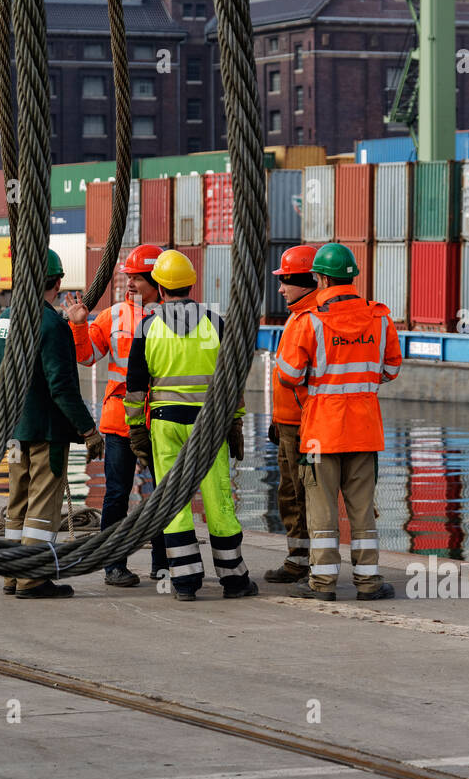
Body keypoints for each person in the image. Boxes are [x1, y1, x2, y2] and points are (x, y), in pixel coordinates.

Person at [123, 248, 257, 602]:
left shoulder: (147, 326)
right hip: (209, 426)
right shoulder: (216, 322)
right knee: (219, 499)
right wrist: (236, 424)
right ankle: (234, 579)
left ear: (161, 287)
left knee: (173, 500)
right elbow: (234, 381)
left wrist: (136, 427)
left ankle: (184, 581)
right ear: (191, 284)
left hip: (165, 426)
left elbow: (135, 386)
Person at [276, 242, 401, 602]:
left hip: (320, 433)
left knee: (322, 510)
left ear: (320, 277)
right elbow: (391, 368)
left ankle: (322, 584)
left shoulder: (309, 320)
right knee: (362, 510)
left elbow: (288, 374)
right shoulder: (379, 317)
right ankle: (368, 582)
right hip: (365, 429)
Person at [0, 249, 104, 599]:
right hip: (45, 433)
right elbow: (62, 387)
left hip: (12, 432)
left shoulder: (4, 320)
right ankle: (33, 579)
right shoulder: (51, 324)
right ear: (56, 283)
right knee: (41, 505)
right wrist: (88, 430)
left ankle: (12, 574)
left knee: (17, 501)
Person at [66, 243, 168, 587]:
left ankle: (163, 563)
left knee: (164, 493)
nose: (129, 284)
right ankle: (113, 565)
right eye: (127, 277)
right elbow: (87, 356)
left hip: (160, 421)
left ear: (157, 281)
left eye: (136, 278)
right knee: (116, 495)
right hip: (120, 421)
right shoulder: (112, 316)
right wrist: (79, 325)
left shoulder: (175, 316)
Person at [265, 244, 319, 584]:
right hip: (289, 422)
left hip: (302, 424)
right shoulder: (299, 315)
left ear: (307, 280)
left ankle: (302, 561)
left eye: (286, 281)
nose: (281, 288)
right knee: (292, 492)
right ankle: (302, 557)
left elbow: (293, 376)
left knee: (299, 495)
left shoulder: (310, 318)